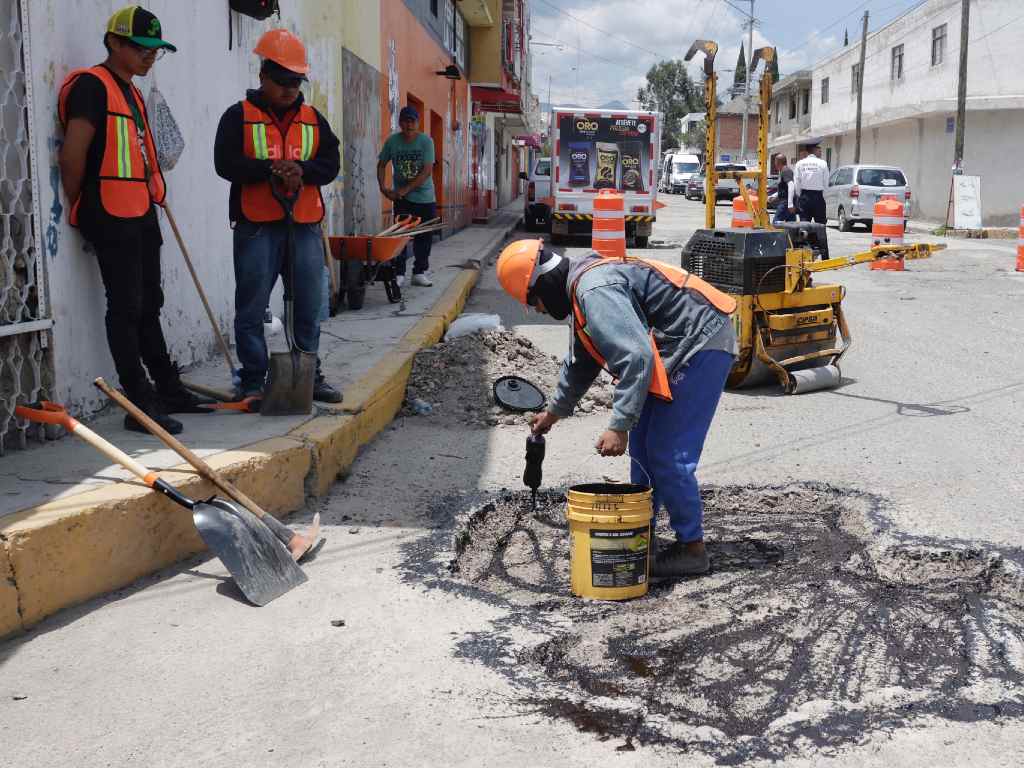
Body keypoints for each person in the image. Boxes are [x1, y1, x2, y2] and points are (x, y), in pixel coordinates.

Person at [495, 240, 738, 577]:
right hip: (673, 347)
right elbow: (581, 362)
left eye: (533, 301)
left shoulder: (594, 289)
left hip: (701, 343)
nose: (537, 309)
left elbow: (636, 355)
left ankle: (692, 548)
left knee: (666, 452)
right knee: (643, 450)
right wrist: (554, 412)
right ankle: (643, 534)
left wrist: (619, 425)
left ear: (544, 283)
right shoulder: (583, 288)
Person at [58, 5, 210, 435]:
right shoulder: (92, 85)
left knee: (149, 304)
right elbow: (72, 156)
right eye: (141, 48)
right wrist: (83, 208)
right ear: (113, 43)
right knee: (125, 308)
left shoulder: (131, 91)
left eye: (155, 50)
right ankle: (138, 402)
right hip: (109, 211)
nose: (149, 56)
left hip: (140, 210)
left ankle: (167, 387)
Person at [214, 29, 342, 403]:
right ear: (263, 76)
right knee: (252, 304)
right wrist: (270, 169)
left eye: (296, 81)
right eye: (282, 81)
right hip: (256, 226)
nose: (290, 89)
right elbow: (225, 163)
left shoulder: (313, 119)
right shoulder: (238, 116)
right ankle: (254, 379)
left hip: (303, 225)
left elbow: (330, 163)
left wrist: (302, 170)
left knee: (307, 302)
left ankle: (308, 375)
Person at [377, 106, 437, 287]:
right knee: (400, 236)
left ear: (418, 123)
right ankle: (399, 272)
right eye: (405, 121)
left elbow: (427, 171)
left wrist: (405, 189)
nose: (409, 125)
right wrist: (383, 187)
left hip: (425, 197)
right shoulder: (392, 142)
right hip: (402, 199)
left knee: (424, 237)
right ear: (400, 123)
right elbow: (381, 164)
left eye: (412, 121)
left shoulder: (426, 142)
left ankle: (419, 272)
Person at [790, 141, 829, 225]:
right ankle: (820, 238)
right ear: (814, 150)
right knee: (821, 225)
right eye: (819, 150)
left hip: (805, 196)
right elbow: (826, 183)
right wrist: (823, 197)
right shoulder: (823, 163)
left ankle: (805, 238)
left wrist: (800, 196)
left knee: (804, 225)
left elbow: (796, 183)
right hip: (818, 197)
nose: (820, 152)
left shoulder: (799, 163)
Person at [773, 156, 795, 224]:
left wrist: (790, 204)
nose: (774, 164)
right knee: (791, 225)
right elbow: (784, 188)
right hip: (786, 202)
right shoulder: (783, 171)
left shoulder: (785, 170)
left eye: (775, 162)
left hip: (785, 203)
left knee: (775, 224)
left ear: (778, 162)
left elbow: (791, 185)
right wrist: (774, 196)